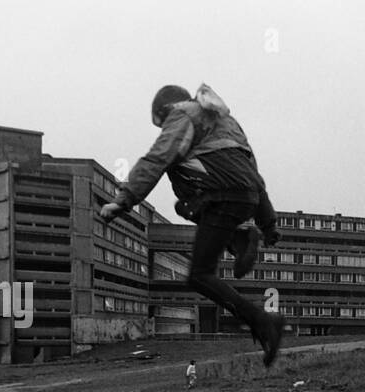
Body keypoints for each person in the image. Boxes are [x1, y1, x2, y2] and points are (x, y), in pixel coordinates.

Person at [99, 83, 284, 366]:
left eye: (161, 124)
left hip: (221, 195)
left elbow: (159, 157)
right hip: (246, 197)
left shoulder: (183, 114)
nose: (162, 129)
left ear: (166, 109)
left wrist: (124, 201)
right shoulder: (227, 122)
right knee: (183, 205)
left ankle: (263, 323)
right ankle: (240, 237)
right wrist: (268, 224)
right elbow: (254, 175)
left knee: (199, 275)